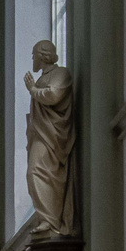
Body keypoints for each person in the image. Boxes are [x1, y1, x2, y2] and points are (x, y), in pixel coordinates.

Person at [24, 40, 76, 238]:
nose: (33, 59)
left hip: (53, 135)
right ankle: (46, 218)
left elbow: (54, 95)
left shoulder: (61, 74)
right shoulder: (39, 80)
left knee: (36, 171)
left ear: (43, 55)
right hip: (40, 133)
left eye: (34, 55)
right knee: (34, 173)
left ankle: (52, 220)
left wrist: (33, 90)